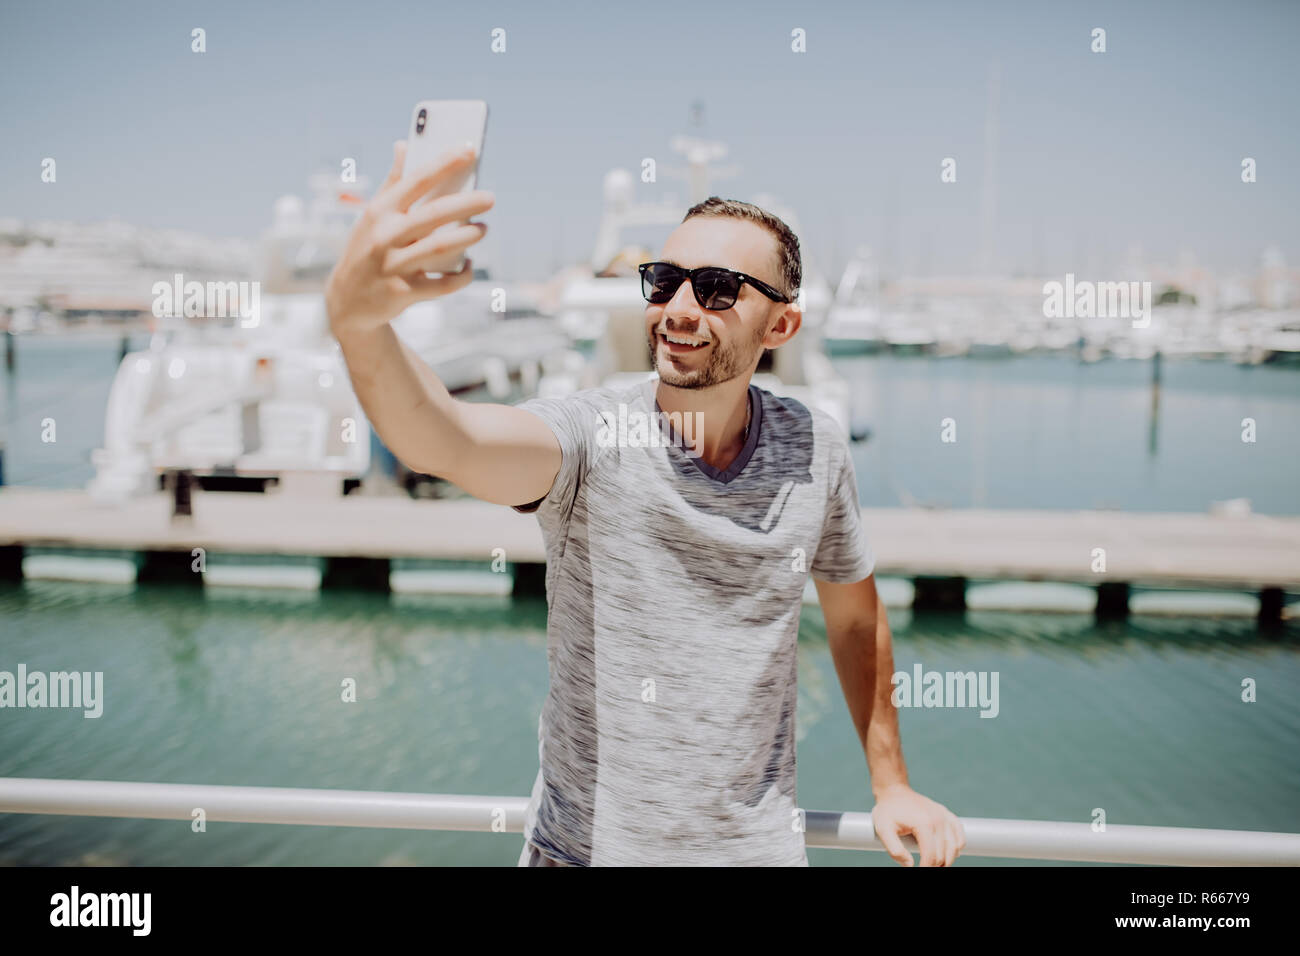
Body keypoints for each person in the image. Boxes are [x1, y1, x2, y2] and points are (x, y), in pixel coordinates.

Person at [326, 140, 967, 867]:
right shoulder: (593, 439)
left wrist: (893, 785)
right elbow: (449, 442)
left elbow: (856, 620)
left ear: (780, 326)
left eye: (719, 289)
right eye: (665, 282)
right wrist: (359, 325)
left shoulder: (814, 449)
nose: (680, 311)